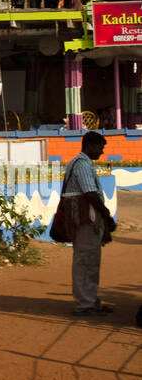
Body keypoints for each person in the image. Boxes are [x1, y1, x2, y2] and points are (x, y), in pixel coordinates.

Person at [62, 131, 117, 315]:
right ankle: (85, 304)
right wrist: (107, 215)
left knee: (91, 261)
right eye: (100, 148)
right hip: (85, 220)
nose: (101, 152)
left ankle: (90, 301)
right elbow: (90, 193)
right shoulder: (82, 165)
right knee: (85, 261)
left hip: (87, 220)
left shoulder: (80, 163)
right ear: (91, 146)